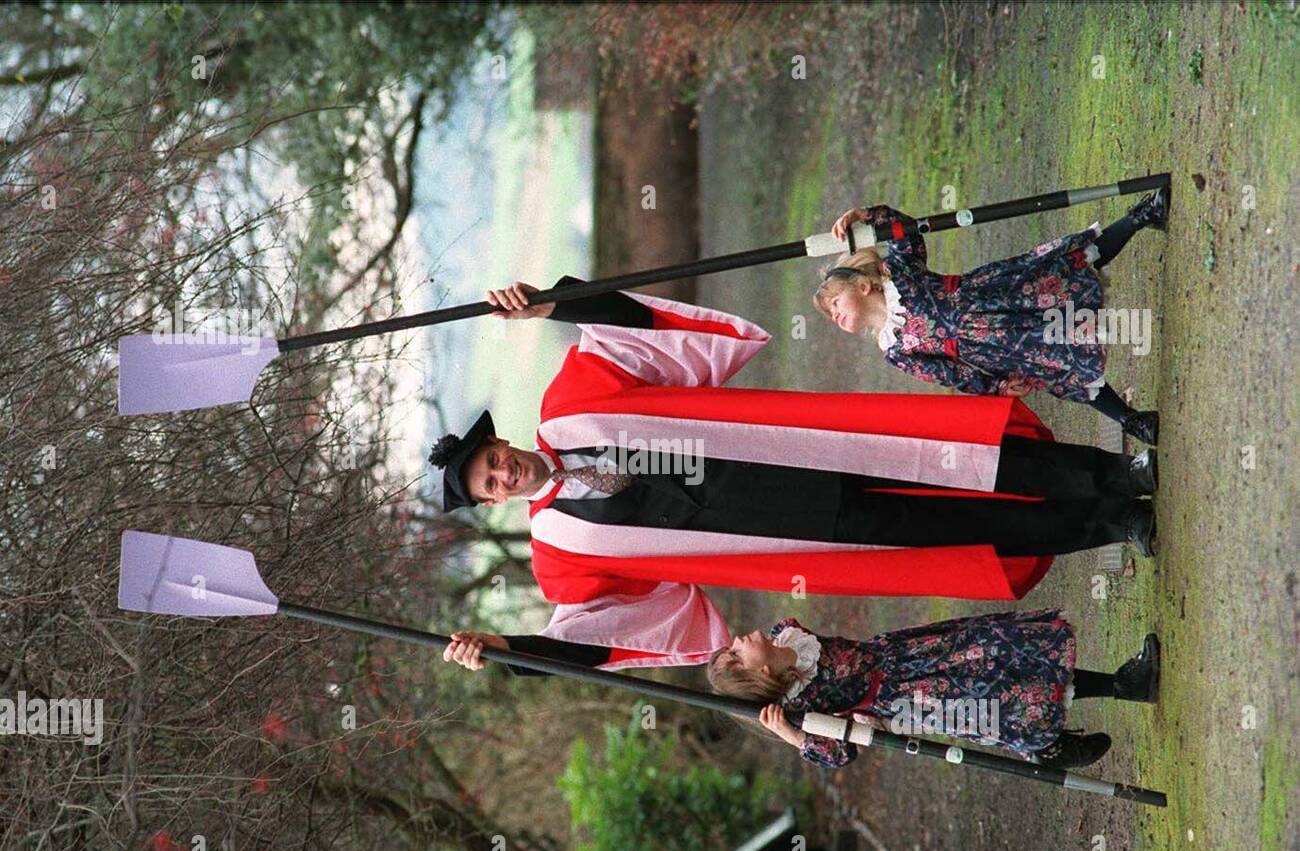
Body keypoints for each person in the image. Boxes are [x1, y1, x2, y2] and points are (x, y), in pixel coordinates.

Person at [435, 276, 1156, 675]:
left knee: (967, 457)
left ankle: (1118, 473)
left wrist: (552, 304)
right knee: (968, 528)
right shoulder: (562, 557)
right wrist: (510, 652)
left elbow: (631, 324)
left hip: (800, 443)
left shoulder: (571, 399)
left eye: (492, 459)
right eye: (490, 485)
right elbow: (587, 644)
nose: (503, 473)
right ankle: (1115, 524)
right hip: (799, 534)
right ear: (496, 503)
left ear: (500, 441)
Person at [815, 187, 1169, 445]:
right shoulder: (894, 350)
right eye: (831, 315)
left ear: (862, 286)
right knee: (1059, 365)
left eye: (834, 304)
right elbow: (949, 373)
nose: (835, 316)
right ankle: (1130, 419)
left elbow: (905, 232)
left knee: (1065, 266)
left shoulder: (899, 272)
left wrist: (864, 215)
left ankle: (1141, 216)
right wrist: (996, 387)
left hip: (996, 292)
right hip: (998, 349)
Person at [707, 612, 1160, 769]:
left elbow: (799, 636)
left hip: (909, 654)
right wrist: (791, 735)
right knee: (1000, 699)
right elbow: (840, 753)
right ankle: (1043, 744)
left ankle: (1125, 684)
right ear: (757, 675)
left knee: (1008, 656)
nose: (736, 643)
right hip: (911, 698)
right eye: (735, 657)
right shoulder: (801, 705)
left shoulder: (785, 636)